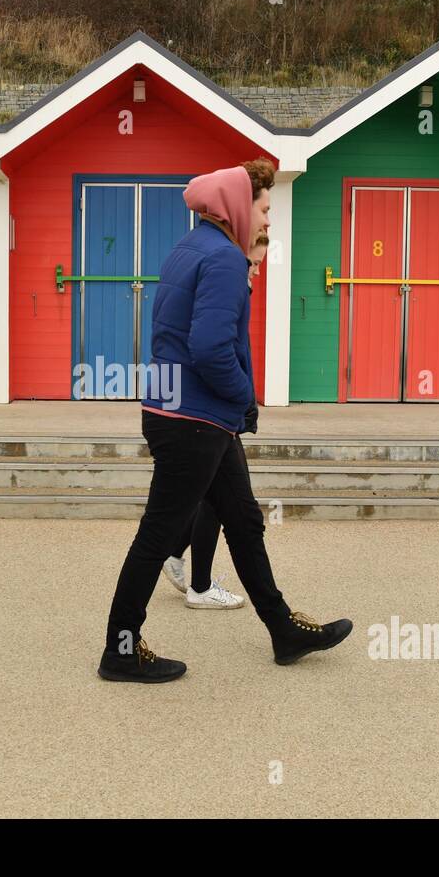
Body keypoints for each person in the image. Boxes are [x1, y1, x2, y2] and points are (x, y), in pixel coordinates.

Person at [98, 160, 353, 683]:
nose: (266, 221)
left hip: (184, 414)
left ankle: (283, 630)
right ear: (238, 205)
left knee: (243, 522)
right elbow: (212, 348)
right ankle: (120, 649)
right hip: (197, 420)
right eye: (263, 209)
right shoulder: (222, 262)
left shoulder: (188, 250)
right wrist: (244, 399)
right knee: (158, 533)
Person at [160, 232, 269, 611]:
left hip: (207, 407)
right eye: (253, 264)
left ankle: (174, 553)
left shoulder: (221, 279)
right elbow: (212, 350)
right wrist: (243, 397)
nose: (255, 273)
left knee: (209, 494)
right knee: (222, 504)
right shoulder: (222, 276)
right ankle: (200, 586)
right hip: (211, 408)